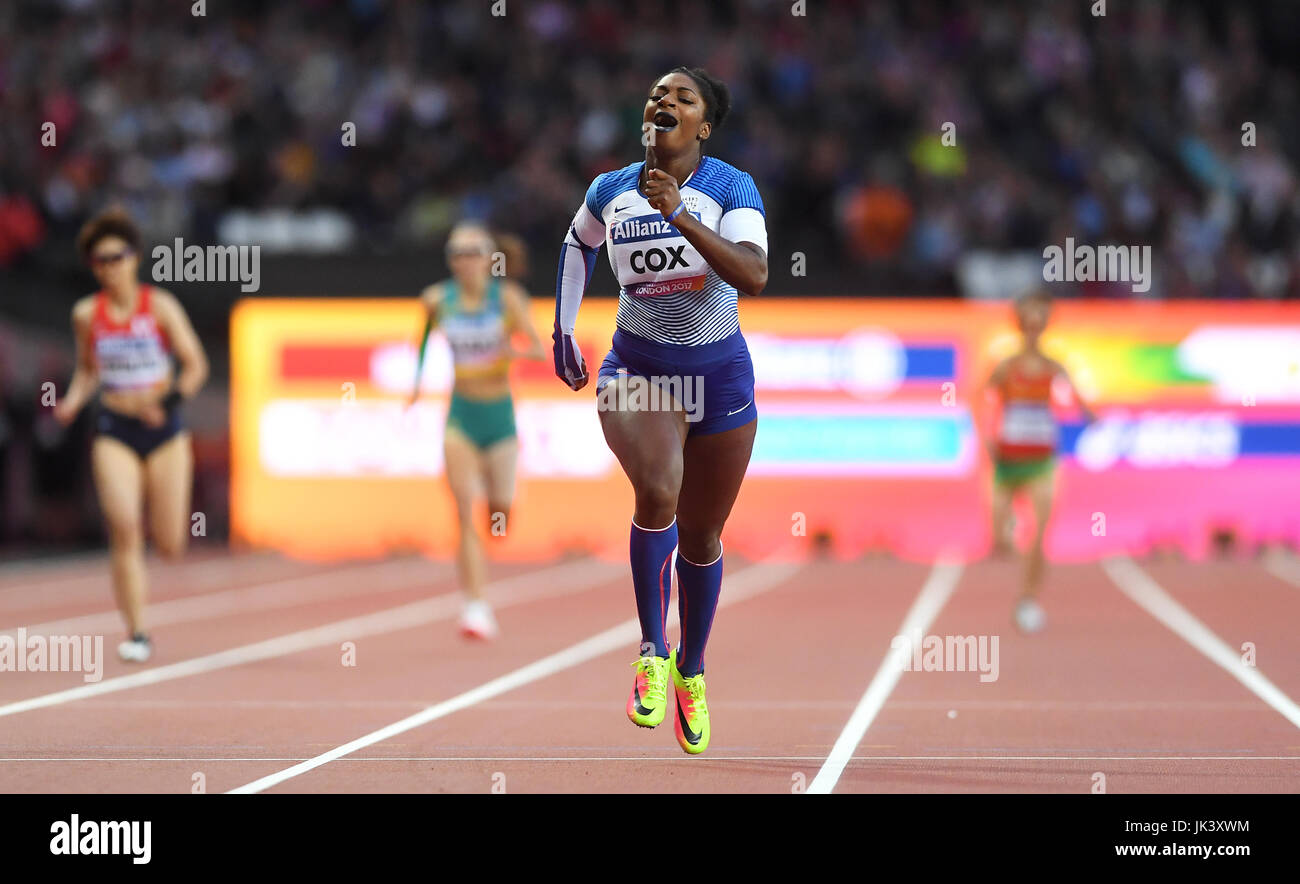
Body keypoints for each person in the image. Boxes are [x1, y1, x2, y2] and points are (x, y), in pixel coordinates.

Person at [552, 67, 768, 754]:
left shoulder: (731, 188)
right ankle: (650, 648)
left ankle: (691, 666)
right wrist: (562, 327)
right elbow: (576, 245)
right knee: (659, 488)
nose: (663, 101)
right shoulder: (609, 189)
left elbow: (754, 275)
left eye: (683, 98)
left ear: (703, 126)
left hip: (721, 374)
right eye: (656, 94)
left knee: (702, 537)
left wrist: (677, 212)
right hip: (637, 369)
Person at [52, 208, 209, 662]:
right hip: (114, 428)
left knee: (170, 542)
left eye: (117, 257)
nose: (110, 267)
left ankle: (164, 552)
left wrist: (169, 403)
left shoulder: (159, 306)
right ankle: (137, 631)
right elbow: (87, 371)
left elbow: (196, 365)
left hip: (164, 432)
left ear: (134, 258)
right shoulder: (86, 314)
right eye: (100, 261)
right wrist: (71, 402)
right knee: (124, 529)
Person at [412, 223, 545, 639]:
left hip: (500, 419)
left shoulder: (507, 299)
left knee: (499, 515)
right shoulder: (436, 300)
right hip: (461, 417)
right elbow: (420, 342)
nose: (464, 261)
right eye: (457, 253)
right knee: (462, 512)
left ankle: (501, 504)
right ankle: (475, 606)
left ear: (491, 258)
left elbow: (540, 349)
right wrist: (415, 387)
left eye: (473, 252)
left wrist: (513, 350)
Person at [982, 290, 1096, 634]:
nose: (1034, 330)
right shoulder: (1006, 367)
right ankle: (1009, 531)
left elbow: (1082, 405)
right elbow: (981, 402)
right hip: (1008, 461)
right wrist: (988, 438)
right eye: (1028, 323)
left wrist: (1094, 416)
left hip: (1042, 460)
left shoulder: (1053, 367)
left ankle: (1028, 598)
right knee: (999, 542)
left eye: (1039, 323)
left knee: (1041, 533)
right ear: (1020, 326)